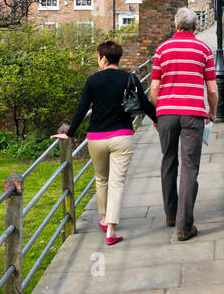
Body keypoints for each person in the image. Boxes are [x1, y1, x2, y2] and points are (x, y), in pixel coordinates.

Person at [56, 39, 156, 246]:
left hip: (96, 138)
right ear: (117, 58)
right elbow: (145, 104)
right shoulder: (130, 78)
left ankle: (103, 217)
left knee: (101, 180)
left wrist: (70, 133)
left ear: (103, 58)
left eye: (97, 57)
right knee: (117, 182)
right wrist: (158, 122)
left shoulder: (92, 81)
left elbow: (81, 110)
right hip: (122, 136)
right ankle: (111, 229)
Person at [150, 7, 218, 241]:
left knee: (168, 161)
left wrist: (158, 113)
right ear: (196, 27)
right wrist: (213, 111)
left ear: (176, 26)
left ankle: (170, 214)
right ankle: (184, 225)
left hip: (167, 113)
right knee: (190, 167)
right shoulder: (204, 50)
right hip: (192, 114)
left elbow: (154, 88)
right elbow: (212, 88)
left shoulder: (162, 49)